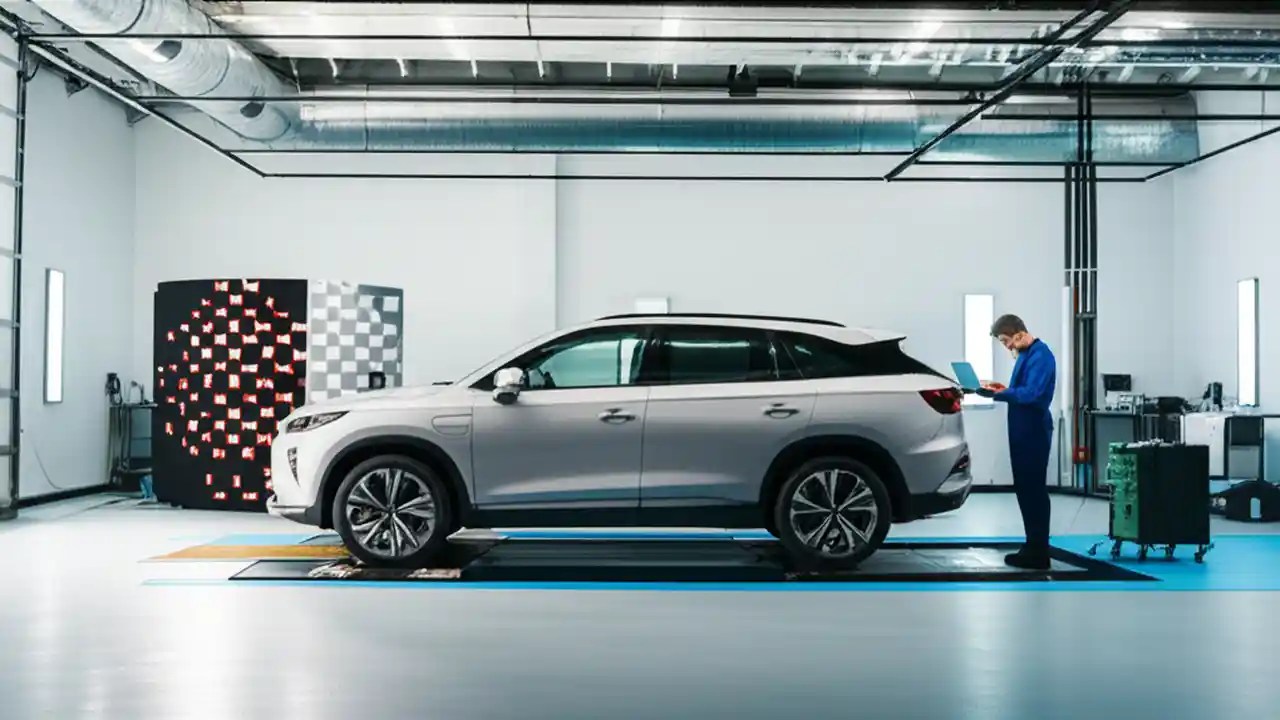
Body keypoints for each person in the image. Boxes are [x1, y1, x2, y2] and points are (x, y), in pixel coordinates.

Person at [976, 314, 1056, 570]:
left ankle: (1039, 551)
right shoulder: (1026, 355)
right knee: (1026, 490)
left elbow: (1032, 394)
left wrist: (1001, 393)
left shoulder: (1041, 355)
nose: (1006, 346)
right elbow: (1021, 389)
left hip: (1033, 432)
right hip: (1023, 433)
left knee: (1034, 491)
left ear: (1020, 334)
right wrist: (1000, 389)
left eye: (1006, 341)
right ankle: (1032, 545)